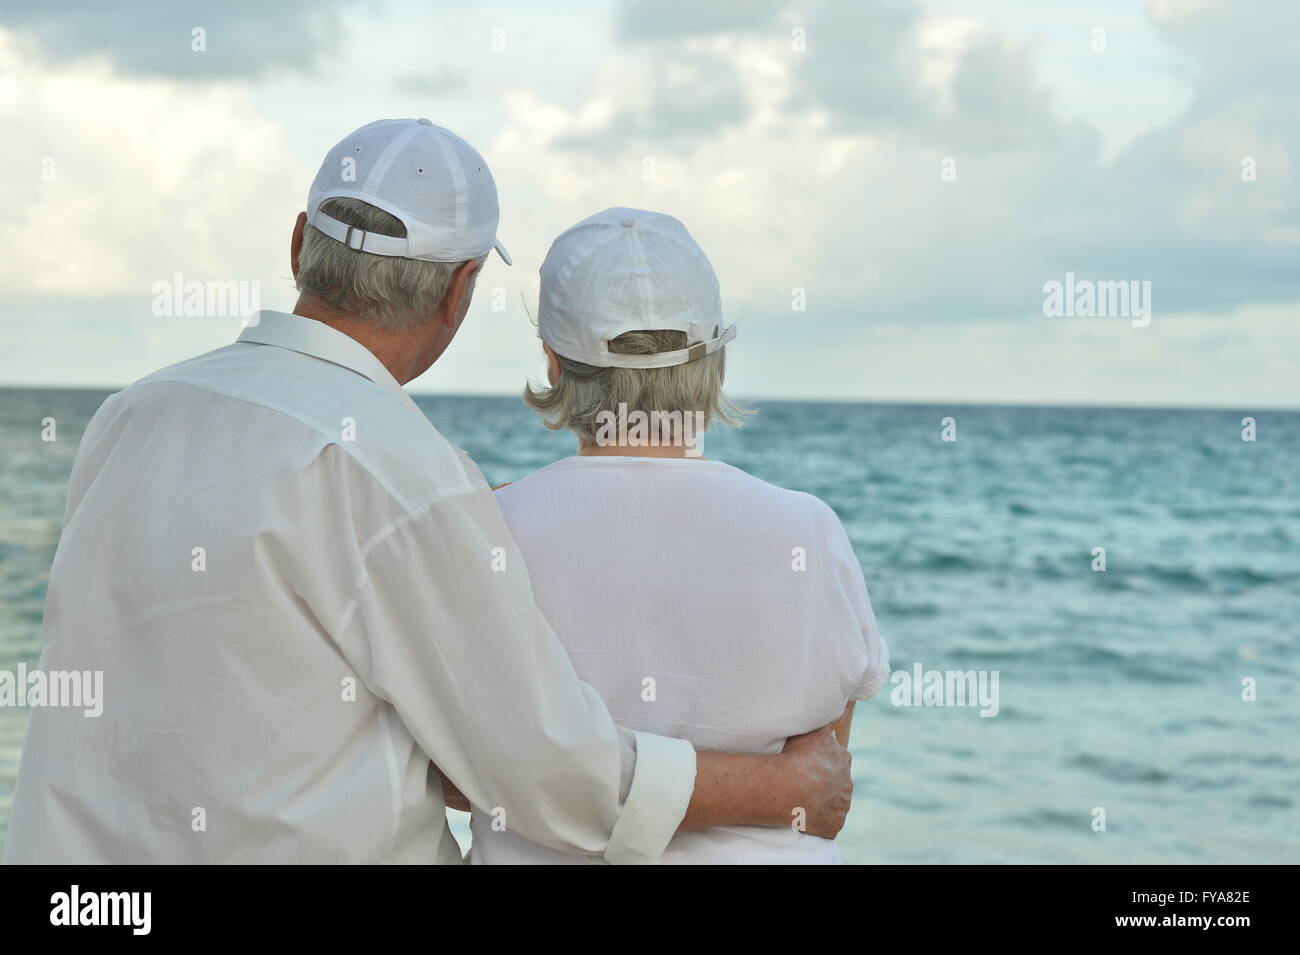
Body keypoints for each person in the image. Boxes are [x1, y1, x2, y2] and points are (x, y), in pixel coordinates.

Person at [3, 122, 852, 865]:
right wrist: (782, 786)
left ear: (301, 242)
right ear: (458, 289)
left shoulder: (130, 414)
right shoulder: (402, 470)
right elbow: (548, 772)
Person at [464, 208, 891, 864]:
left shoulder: (489, 531)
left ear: (555, 363)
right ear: (714, 357)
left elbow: (466, 771)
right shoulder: (807, 529)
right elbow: (825, 788)